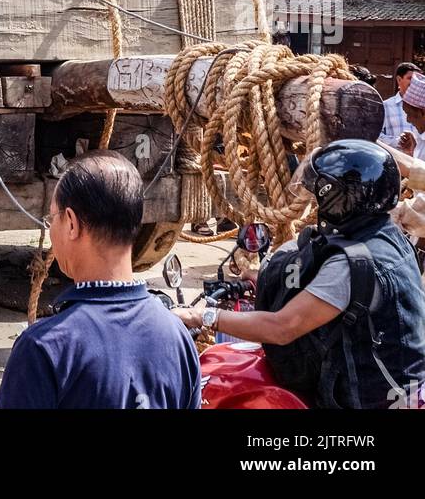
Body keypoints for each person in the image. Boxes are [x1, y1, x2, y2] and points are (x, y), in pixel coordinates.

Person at [175, 139, 425, 409]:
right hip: (400, 390)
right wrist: (267, 279)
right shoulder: (390, 237)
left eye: (320, 197)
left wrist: (201, 316)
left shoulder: (351, 266)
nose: (316, 206)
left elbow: (281, 328)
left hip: (367, 400)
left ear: (340, 199)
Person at [0, 151, 201, 409]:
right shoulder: (178, 338)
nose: (51, 231)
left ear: (71, 223)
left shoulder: (43, 348)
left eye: (52, 219)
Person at [381, 61, 420, 148]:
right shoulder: (385, 106)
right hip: (397, 159)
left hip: (420, 160)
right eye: (410, 78)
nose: (414, 82)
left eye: (416, 79)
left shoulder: (422, 107)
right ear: (399, 79)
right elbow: (376, 135)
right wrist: (399, 142)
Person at [398, 72, 425, 161]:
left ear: (422, 112)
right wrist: (411, 153)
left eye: (409, 114)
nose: (408, 120)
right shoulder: (421, 141)